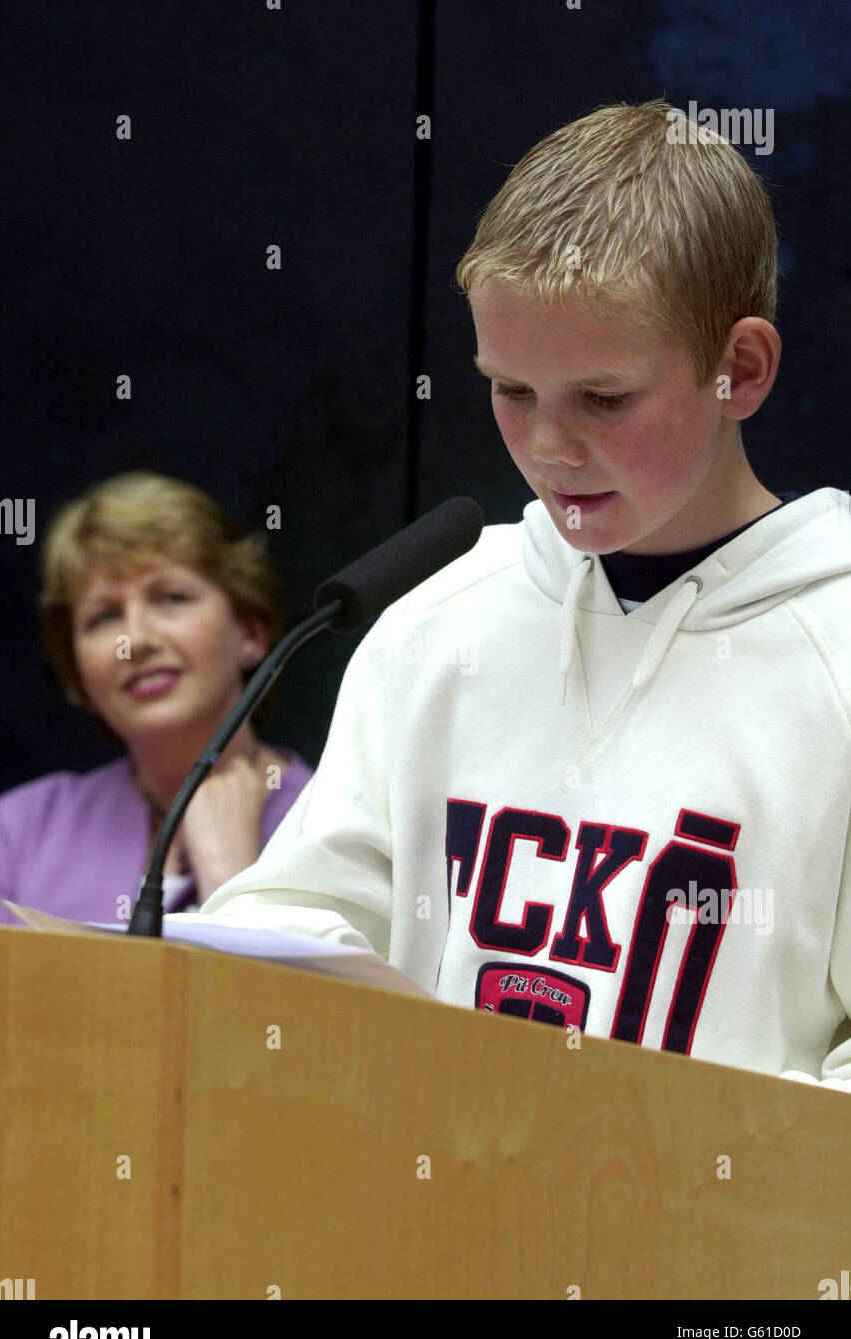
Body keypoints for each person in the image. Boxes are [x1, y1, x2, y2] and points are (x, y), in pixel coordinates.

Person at [195, 101, 849, 1090]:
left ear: (740, 371)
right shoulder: (436, 618)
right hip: (436, 1224)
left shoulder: (833, 641)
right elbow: (294, 933)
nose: (549, 446)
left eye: (604, 397)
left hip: (723, 1238)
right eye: (510, 389)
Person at [0, 471, 312, 925]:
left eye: (171, 598)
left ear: (251, 634)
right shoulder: (19, 832)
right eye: (104, 617)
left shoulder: (334, 827)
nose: (138, 639)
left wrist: (230, 880)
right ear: (79, 669)